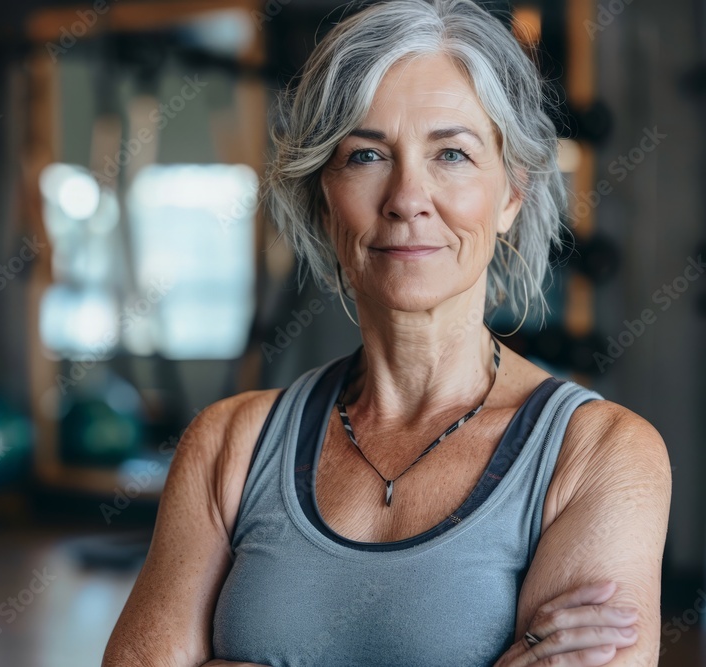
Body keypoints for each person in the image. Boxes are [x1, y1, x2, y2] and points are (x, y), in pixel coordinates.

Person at [101, 0, 672, 665]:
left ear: (511, 192)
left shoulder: (602, 454)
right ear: (323, 194)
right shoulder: (228, 444)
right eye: (367, 154)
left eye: (451, 154)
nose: (407, 197)